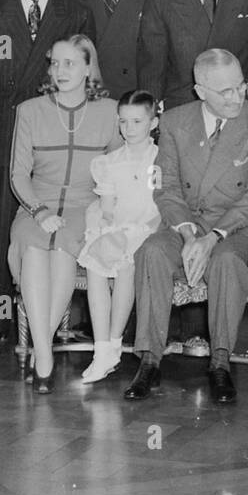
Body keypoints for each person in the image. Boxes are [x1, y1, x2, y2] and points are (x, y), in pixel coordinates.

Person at [125, 50, 248, 405]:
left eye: (240, 86)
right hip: (188, 224)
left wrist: (212, 237)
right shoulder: (176, 122)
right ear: (200, 91)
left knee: (225, 260)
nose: (237, 96)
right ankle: (150, 359)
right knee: (151, 251)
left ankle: (221, 361)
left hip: (242, 227)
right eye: (225, 91)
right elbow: (166, 188)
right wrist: (188, 234)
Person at [0, 0, 94, 346]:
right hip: (3, 130)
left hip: (52, 131)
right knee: (2, 223)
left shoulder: (74, 12)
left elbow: (81, 79)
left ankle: (53, 319)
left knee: (49, 222)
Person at [8, 36, 119, 392]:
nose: (60, 71)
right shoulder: (30, 110)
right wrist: (39, 212)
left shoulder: (110, 112)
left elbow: (118, 172)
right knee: (35, 249)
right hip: (36, 203)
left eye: (70, 63)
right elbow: (17, 174)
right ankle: (45, 354)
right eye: (55, 63)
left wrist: (103, 212)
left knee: (62, 253)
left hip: (86, 206)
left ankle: (41, 353)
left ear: (89, 67)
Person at [78, 90, 163, 384]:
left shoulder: (159, 160)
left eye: (138, 122)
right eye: (124, 122)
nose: (129, 129)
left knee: (127, 264)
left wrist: (134, 232)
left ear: (153, 123)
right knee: (95, 263)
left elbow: (160, 205)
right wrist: (109, 230)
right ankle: (101, 348)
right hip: (120, 228)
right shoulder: (110, 162)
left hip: (150, 229)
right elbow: (108, 208)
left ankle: (114, 343)